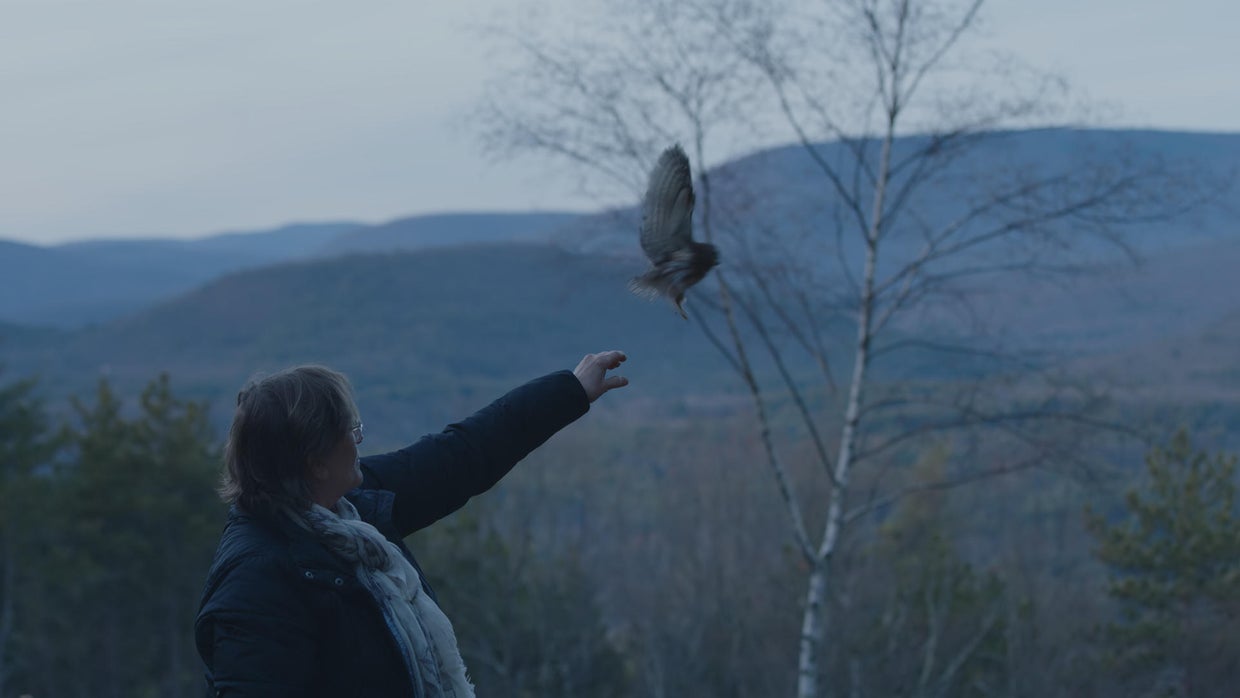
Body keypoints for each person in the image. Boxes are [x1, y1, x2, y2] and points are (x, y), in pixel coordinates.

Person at [194, 350, 629, 697]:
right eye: (351, 431)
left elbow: (462, 454)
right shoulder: (255, 583)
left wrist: (569, 391)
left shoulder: (350, 511)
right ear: (316, 463)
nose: (359, 440)